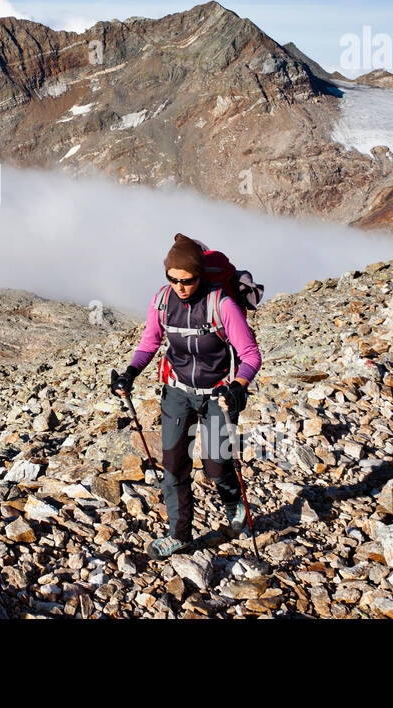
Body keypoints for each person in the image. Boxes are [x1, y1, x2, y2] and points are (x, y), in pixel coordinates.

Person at [110, 233, 262, 559]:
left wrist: (238, 386)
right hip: (177, 392)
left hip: (218, 395)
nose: (180, 287)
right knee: (174, 466)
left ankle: (234, 503)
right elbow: (150, 342)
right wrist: (130, 373)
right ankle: (179, 535)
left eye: (188, 280)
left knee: (217, 466)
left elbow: (250, 355)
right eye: (173, 279)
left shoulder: (221, 304)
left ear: (200, 276)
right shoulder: (163, 301)